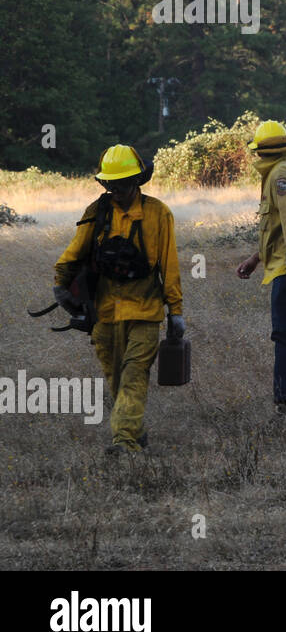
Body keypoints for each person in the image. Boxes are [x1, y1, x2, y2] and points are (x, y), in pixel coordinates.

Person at [54, 145, 183, 453]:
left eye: (123, 184)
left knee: (134, 374)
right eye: (112, 185)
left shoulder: (158, 213)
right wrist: (60, 285)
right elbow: (75, 251)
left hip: (145, 311)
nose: (118, 191)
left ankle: (124, 441)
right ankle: (134, 431)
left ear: (138, 180)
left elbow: (170, 264)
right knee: (116, 378)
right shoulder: (97, 213)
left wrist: (175, 312)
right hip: (105, 312)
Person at [235, 121, 286, 418]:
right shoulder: (283, 171)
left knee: (284, 334)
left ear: (260, 151)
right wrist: (256, 258)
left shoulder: (279, 176)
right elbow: (277, 227)